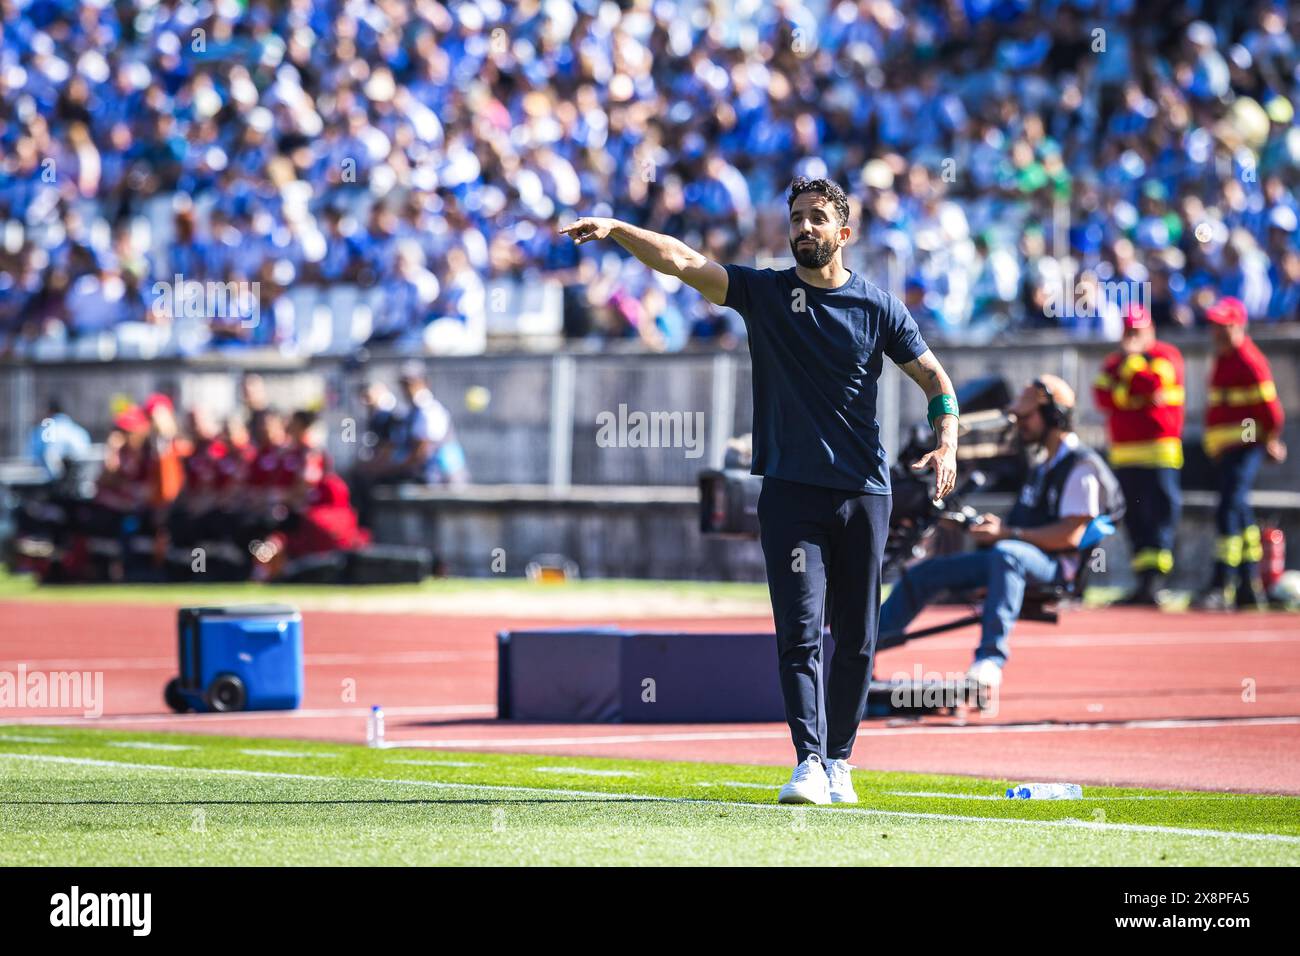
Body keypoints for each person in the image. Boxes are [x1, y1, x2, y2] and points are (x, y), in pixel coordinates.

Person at [563, 176, 960, 806]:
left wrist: (949, 440)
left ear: (843, 232)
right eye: (796, 217)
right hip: (790, 494)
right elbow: (684, 261)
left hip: (864, 493)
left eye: (817, 218)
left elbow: (934, 377)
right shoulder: (766, 292)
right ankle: (808, 762)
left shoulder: (878, 307)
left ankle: (841, 763)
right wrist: (616, 230)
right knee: (799, 632)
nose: (804, 228)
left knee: (857, 637)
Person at [878, 376, 1124, 686]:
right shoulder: (1042, 466)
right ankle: (858, 651)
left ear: (1054, 417)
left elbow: (1070, 536)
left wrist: (1007, 534)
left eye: (1026, 417)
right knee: (923, 574)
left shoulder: (1081, 467)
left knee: (1008, 555)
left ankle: (989, 662)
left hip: (1053, 568)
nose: (1019, 424)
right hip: (1012, 555)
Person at [1192, 297, 1287, 610]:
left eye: (1223, 327)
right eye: (1215, 327)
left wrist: (1268, 439)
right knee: (1241, 511)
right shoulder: (1225, 358)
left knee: (1228, 509)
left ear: (1237, 326)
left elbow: (1271, 412)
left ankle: (1222, 582)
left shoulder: (1248, 360)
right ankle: (1248, 584)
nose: (1216, 333)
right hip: (1228, 450)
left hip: (1244, 448)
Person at [1091, 304, 1185, 605]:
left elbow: (1153, 384)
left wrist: (1130, 368)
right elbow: (1102, 395)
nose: (1131, 338)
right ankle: (1142, 585)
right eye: (1127, 332)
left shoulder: (1166, 356)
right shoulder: (1113, 362)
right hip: (1125, 456)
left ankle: (1156, 583)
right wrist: (1133, 394)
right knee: (1134, 521)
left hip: (1159, 454)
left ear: (1151, 330)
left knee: (1160, 518)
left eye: (1137, 332)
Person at [392, 363, 469, 487]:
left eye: (412, 383)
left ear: (424, 383)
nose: (407, 389)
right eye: (404, 384)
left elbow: (421, 452)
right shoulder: (412, 412)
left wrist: (394, 469)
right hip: (428, 479)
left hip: (442, 482)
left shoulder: (430, 411)